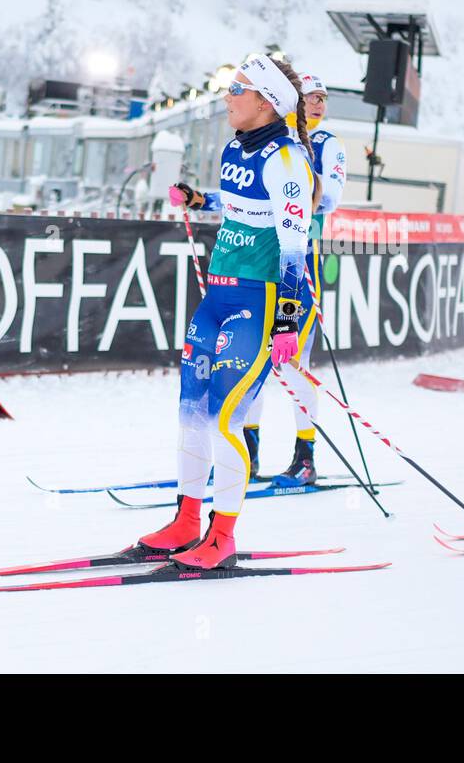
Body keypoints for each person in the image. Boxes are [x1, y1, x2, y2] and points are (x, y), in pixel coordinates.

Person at [133, 54, 315, 571]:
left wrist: (285, 319)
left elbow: (294, 245)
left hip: (256, 304)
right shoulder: (238, 147)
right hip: (216, 298)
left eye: (237, 89)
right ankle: (186, 521)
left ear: (265, 102)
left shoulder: (287, 160)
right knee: (190, 415)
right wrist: (199, 198)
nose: (227, 96)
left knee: (223, 418)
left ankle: (222, 535)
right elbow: (240, 204)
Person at [242, 73, 348, 486]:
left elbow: (332, 198)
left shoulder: (325, 145)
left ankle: (305, 458)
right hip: (261, 263)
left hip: (300, 266)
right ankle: (247, 455)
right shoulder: (270, 140)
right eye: (310, 98)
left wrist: (292, 181)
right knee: (252, 365)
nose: (318, 104)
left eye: (323, 98)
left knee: (292, 368)